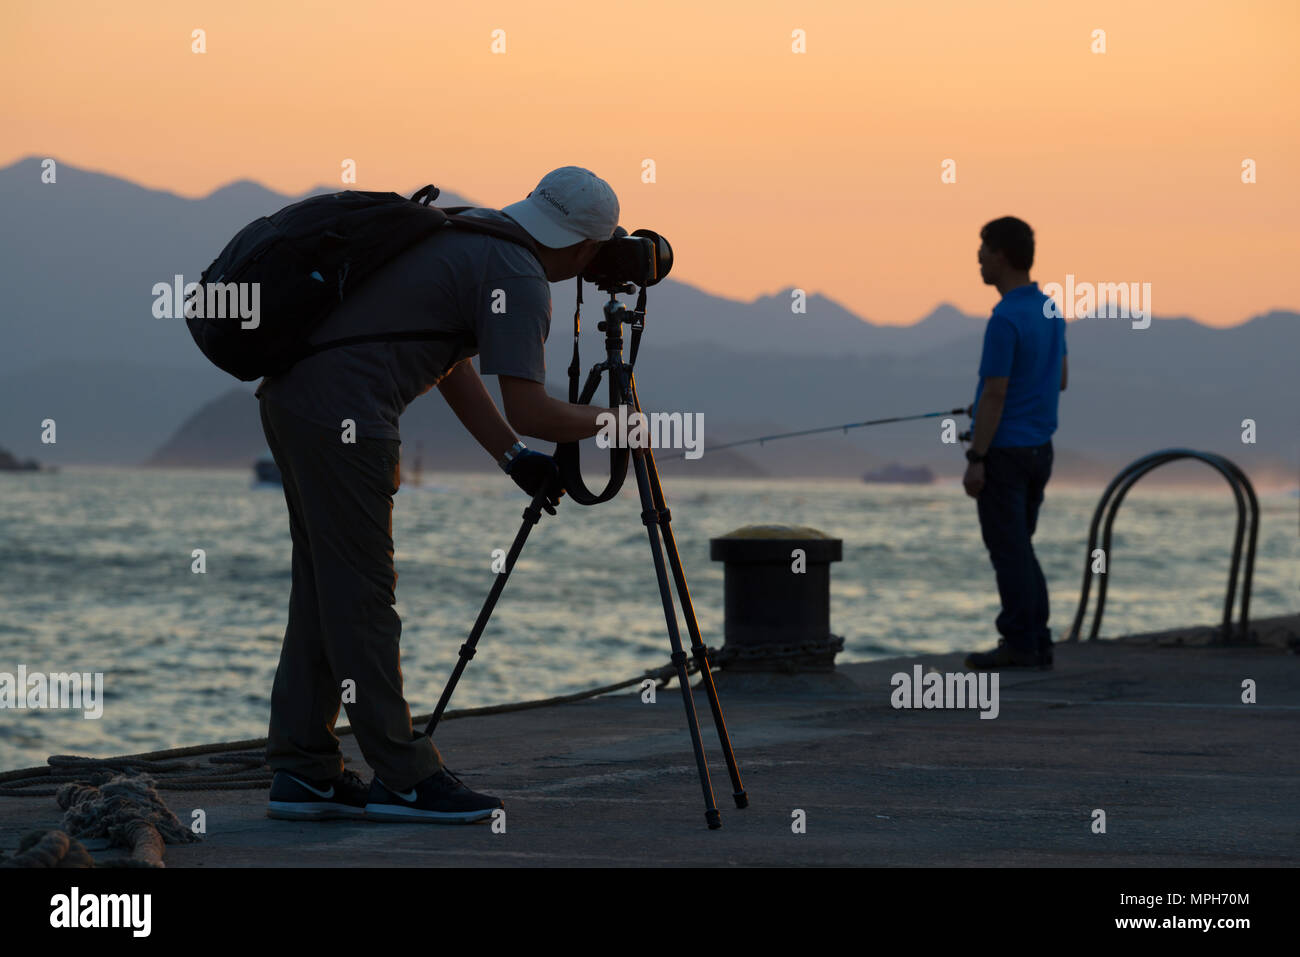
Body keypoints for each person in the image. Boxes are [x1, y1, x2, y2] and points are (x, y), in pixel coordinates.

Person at [255, 167, 620, 822]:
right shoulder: (521, 273)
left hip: (291, 399)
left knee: (323, 589)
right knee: (363, 596)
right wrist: (620, 422)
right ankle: (403, 776)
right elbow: (531, 407)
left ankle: (304, 769)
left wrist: (510, 458)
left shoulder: (470, 230)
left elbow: (449, 363)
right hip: (346, 420)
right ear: (587, 249)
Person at [962, 216, 1067, 671]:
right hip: (1040, 450)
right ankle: (1037, 640)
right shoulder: (1049, 309)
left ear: (1002, 255)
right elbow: (1059, 380)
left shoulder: (1005, 318)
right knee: (1020, 546)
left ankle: (1021, 643)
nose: (978, 257)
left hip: (1004, 452)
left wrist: (976, 457)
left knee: (1009, 550)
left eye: (983, 248)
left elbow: (996, 391)